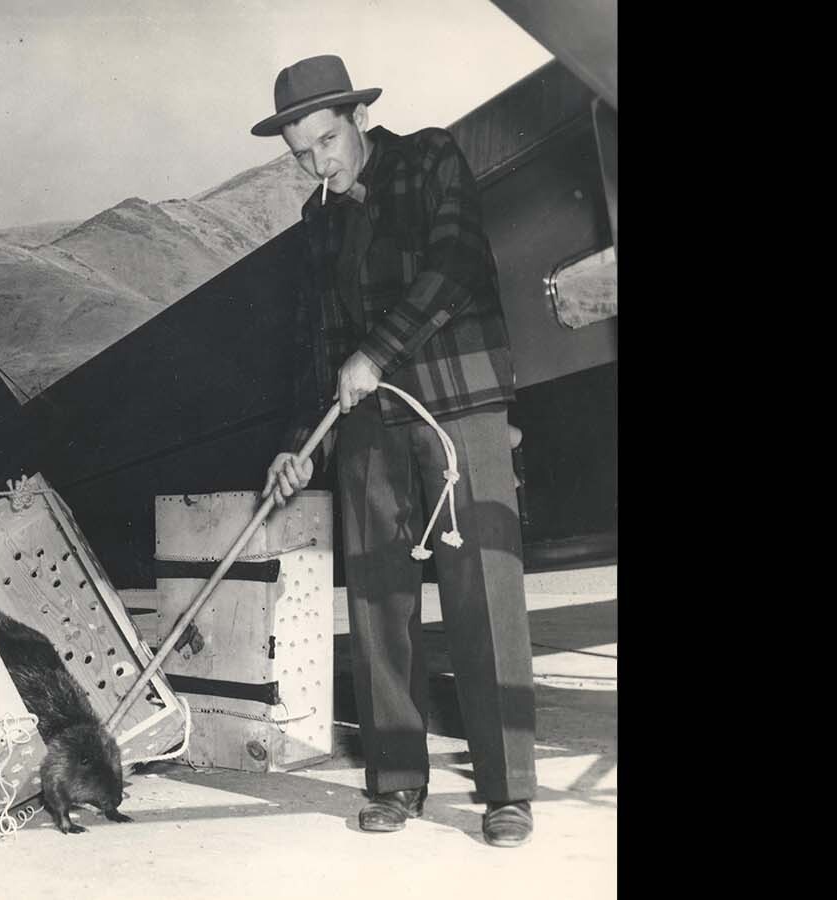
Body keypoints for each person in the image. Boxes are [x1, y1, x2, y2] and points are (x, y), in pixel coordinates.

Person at [252, 55, 536, 848]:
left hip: (460, 404)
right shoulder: (318, 221)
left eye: (327, 141)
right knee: (378, 602)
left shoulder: (431, 158)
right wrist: (294, 448)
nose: (319, 164)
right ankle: (396, 781)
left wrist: (375, 353)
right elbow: (316, 347)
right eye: (301, 154)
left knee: (484, 595)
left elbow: (456, 265)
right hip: (369, 426)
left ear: (360, 119)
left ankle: (507, 792)